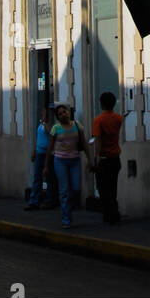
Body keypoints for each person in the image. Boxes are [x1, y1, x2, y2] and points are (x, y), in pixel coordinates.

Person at [47, 102, 90, 229]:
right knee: (64, 190)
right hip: (60, 161)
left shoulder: (77, 125)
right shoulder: (55, 128)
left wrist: (89, 159)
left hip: (75, 160)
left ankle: (68, 208)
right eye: (60, 114)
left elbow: (84, 143)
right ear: (57, 117)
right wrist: (46, 165)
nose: (63, 115)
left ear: (68, 112)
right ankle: (66, 218)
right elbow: (50, 147)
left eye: (64, 112)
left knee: (76, 188)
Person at [92, 91, 123, 225]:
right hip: (115, 156)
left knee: (103, 189)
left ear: (102, 104)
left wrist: (97, 156)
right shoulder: (118, 118)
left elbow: (98, 140)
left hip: (104, 157)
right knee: (112, 187)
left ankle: (111, 214)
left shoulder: (98, 120)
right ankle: (111, 213)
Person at [27, 107, 57, 210]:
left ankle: (49, 200)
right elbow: (37, 138)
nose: (41, 114)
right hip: (39, 153)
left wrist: (44, 123)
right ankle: (34, 201)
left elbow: (50, 134)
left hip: (47, 154)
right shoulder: (40, 124)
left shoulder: (50, 125)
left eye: (44, 112)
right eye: (42, 112)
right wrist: (34, 151)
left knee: (49, 178)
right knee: (37, 177)